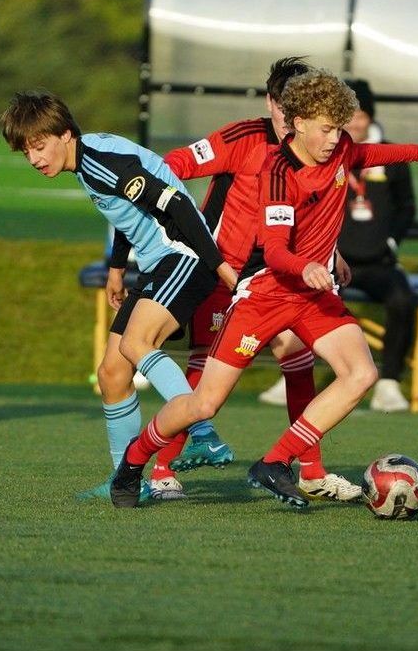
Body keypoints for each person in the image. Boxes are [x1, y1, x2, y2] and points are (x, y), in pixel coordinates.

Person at [109, 69, 418, 509]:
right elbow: (273, 250)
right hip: (266, 293)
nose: (335, 139)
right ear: (300, 122)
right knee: (204, 404)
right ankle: (135, 461)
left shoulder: (339, 147)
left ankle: (276, 462)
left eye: (339, 128)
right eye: (326, 129)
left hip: (311, 297)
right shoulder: (277, 171)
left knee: (361, 373)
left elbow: (367, 153)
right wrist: (305, 265)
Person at [0, 91, 237, 502]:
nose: (34, 159)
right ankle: (125, 480)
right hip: (157, 263)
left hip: (183, 255)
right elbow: (129, 211)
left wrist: (220, 267)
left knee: (136, 344)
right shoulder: (87, 160)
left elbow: (177, 204)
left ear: (65, 134)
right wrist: (116, 268)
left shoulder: (101, 163)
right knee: (112, 374)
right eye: (26, 153)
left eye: (39, 146)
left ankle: (203, 431)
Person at [151, 57, 362, 502]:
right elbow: (171, 165)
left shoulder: (315, 151)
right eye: (285, 107)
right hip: (225, 274)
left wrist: (330, 253)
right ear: (271, 103)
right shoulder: (242, 137)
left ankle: (310, 470)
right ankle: (160, 469)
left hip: (281, 281)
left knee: (299, 361)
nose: (291, 118)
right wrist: (183, 235)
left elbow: (311, 212)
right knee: (204, 381)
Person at [259, 78, 417, 413]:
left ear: (371, 117)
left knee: (403, 300)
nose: (355, 124)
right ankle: (293, 376)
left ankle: (389, 383)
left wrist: (390, 241)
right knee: (307, 305)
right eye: (349, 118)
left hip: (378, 261)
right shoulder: (322, 156)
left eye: (362, 116)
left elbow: (407, 207)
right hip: (330, 262)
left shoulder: (383, 155)